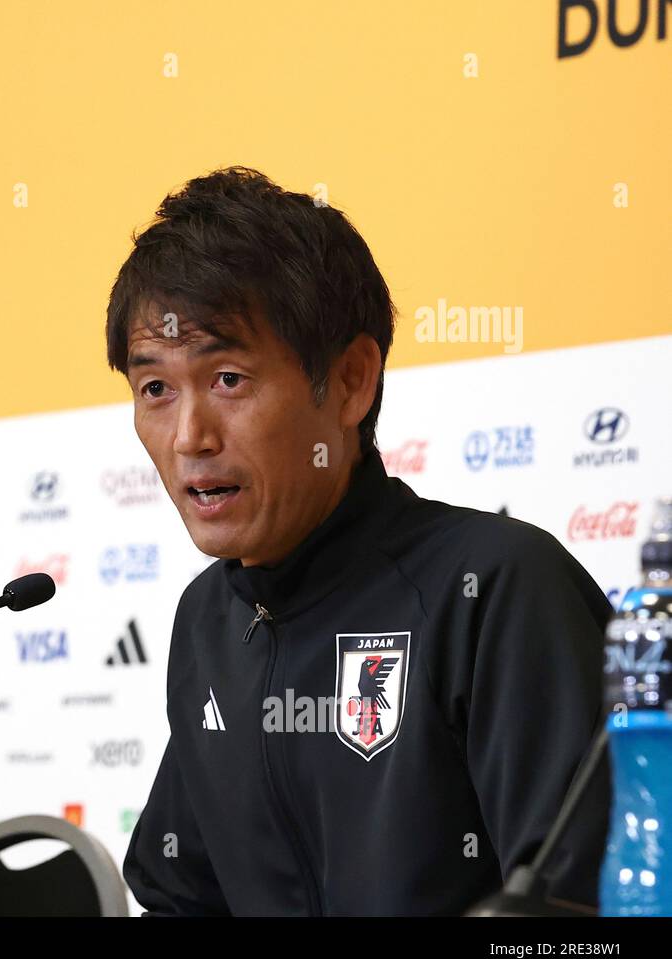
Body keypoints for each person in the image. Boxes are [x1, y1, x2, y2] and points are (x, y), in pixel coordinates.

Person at [108, 167, 611, 915]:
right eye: (156, 390)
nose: (188, 437)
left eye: (228, 378)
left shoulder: (495, 589)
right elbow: (181, 896)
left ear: (350, 381)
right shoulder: (210, 620)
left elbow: (581, 933)